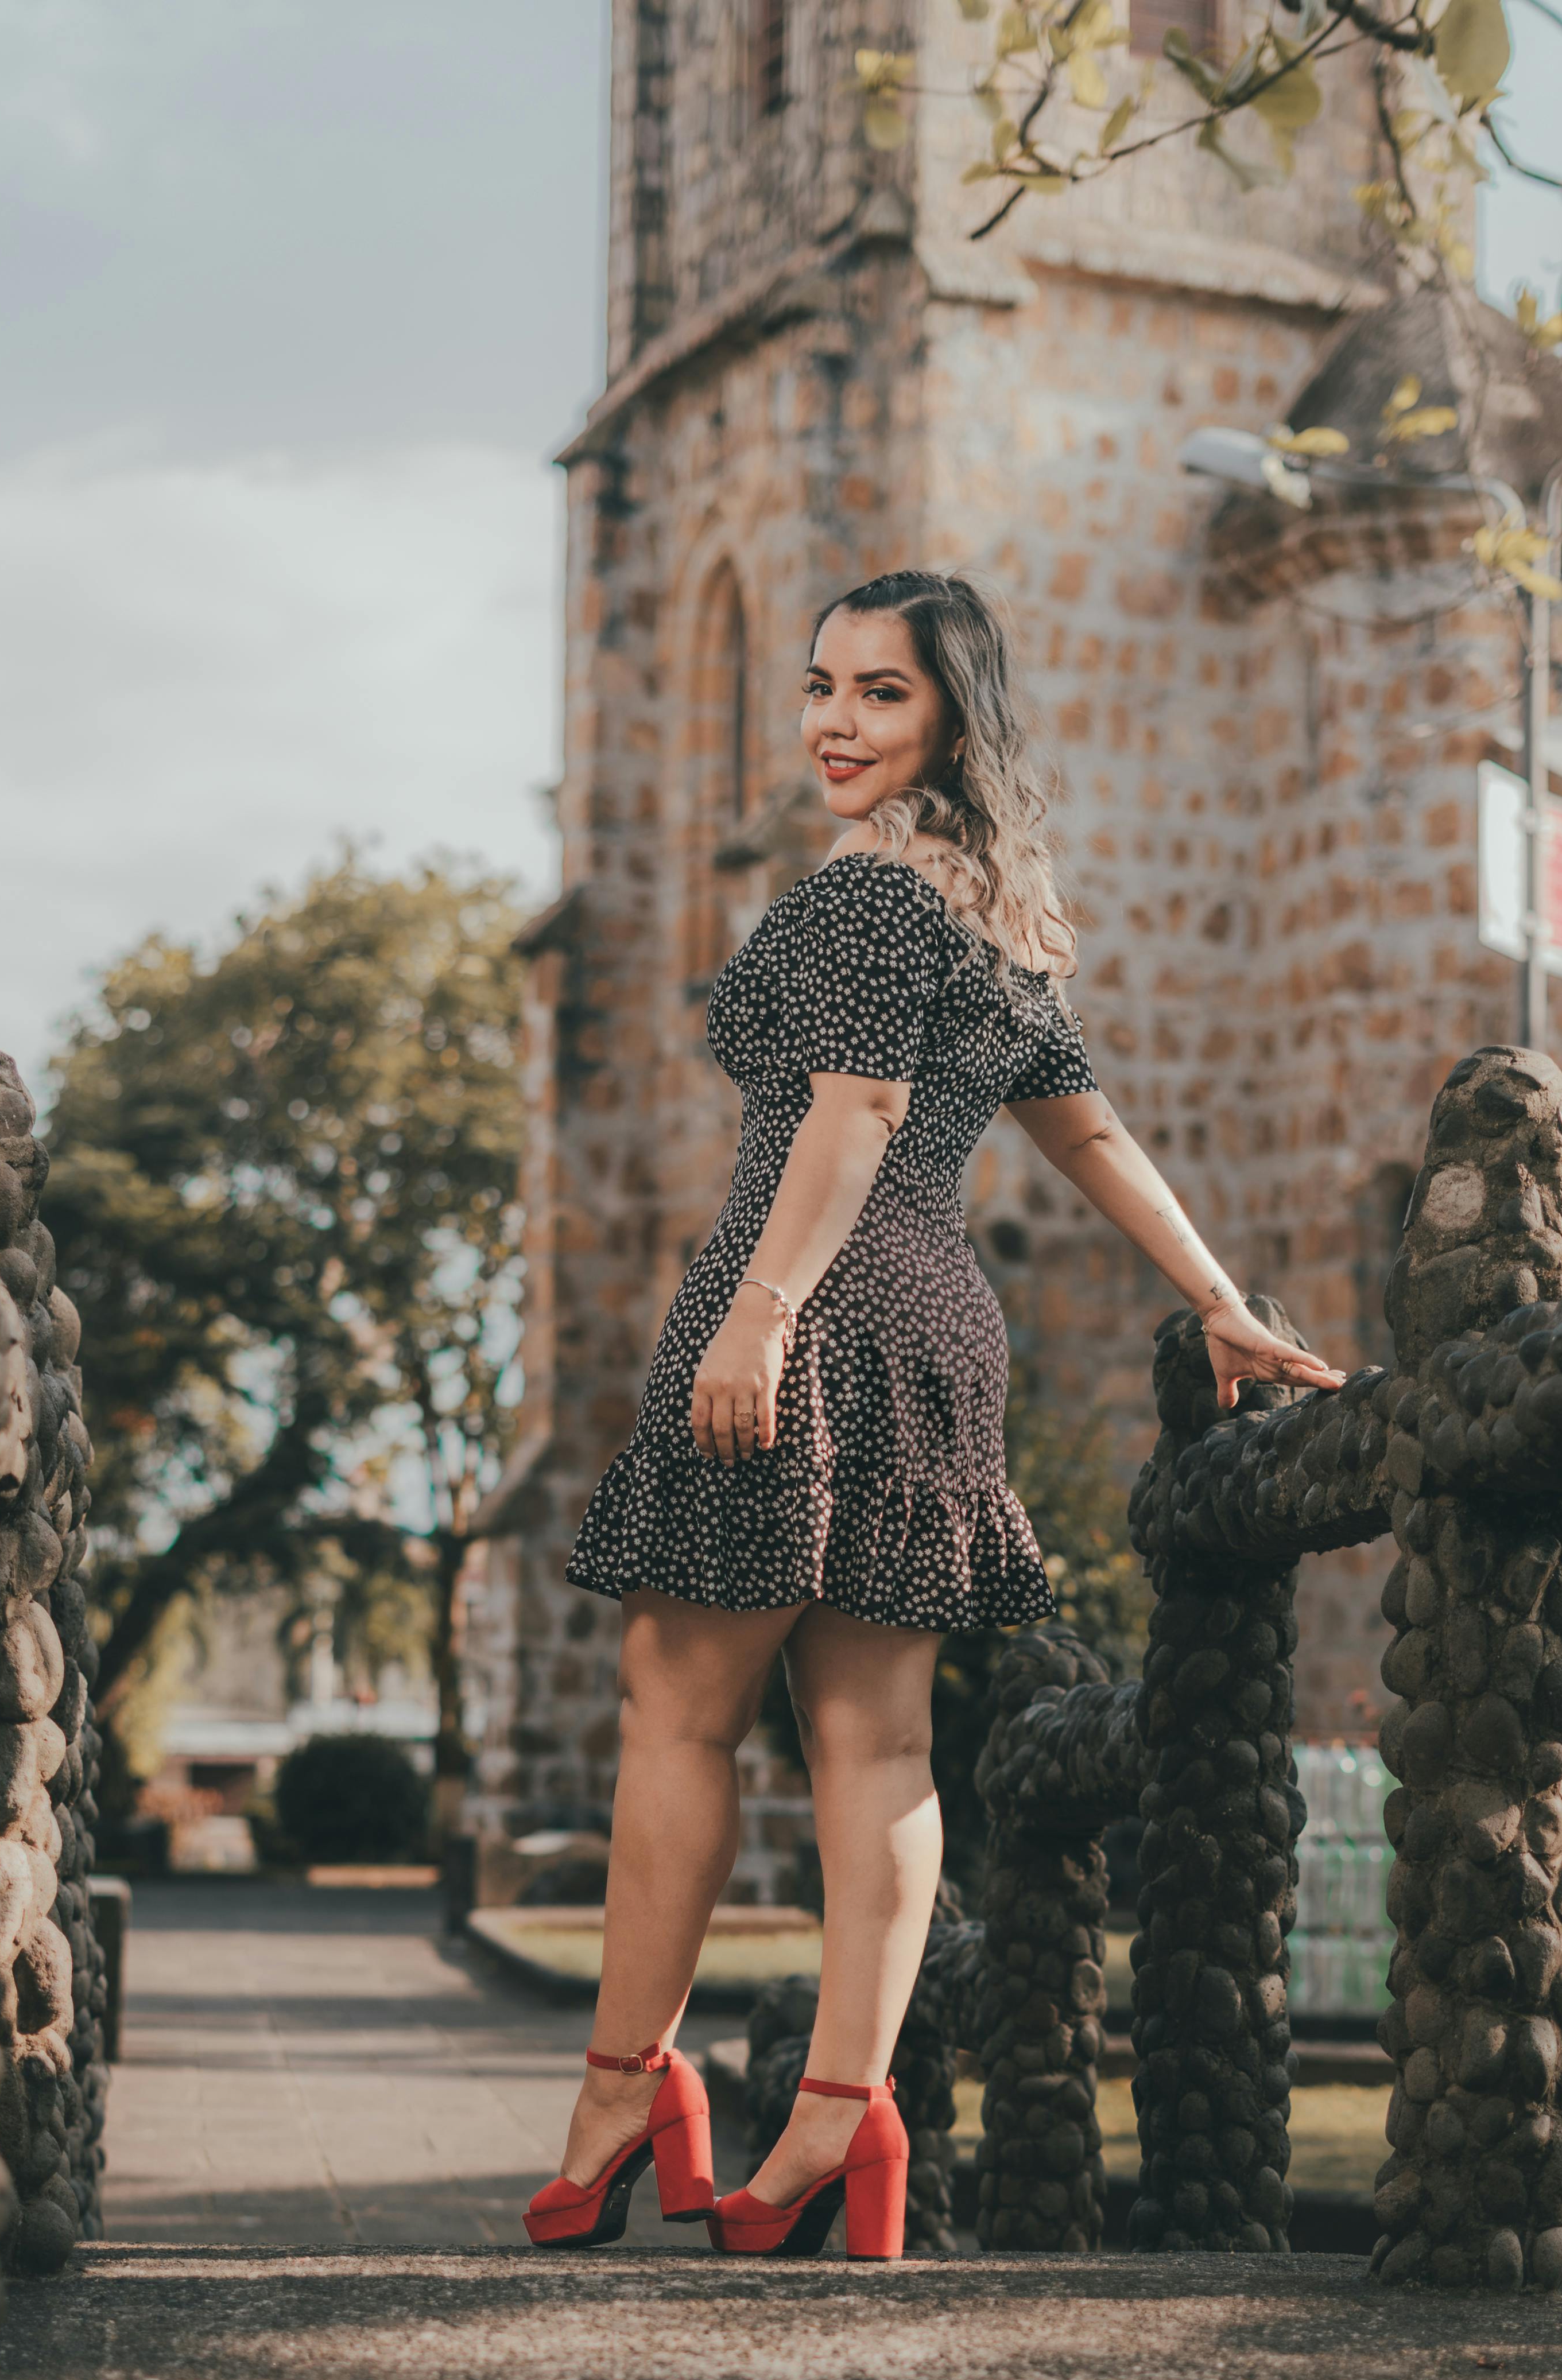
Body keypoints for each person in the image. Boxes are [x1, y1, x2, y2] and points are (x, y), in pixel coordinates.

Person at [521, 570, 1342, 2261]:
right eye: (820, 685)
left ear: (950, 715)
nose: (832, 719)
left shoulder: (866, 900)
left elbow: (856, 1107)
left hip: (806, 1298)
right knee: (873, 1742)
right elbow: (1091, 1137)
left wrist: (758, 1311)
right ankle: (842, 2115)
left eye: (878, 694)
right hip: (936, 1321)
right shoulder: (981, 909)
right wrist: (1215, 1298)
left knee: (676, 1709)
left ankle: (623, 2094)